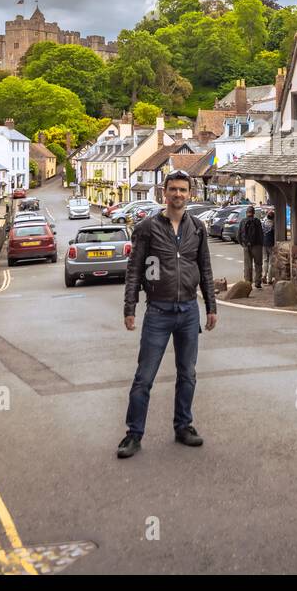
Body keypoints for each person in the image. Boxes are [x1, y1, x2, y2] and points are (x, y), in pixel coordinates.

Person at [119, 169, 218, 459]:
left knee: (188, 374)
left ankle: (183, 426)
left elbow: (206, 270)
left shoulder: (197, 228)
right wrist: (130, 308)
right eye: (173, 189)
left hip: (188, 310)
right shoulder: (147, 228)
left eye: (182, 190)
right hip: (158, 311)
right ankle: (133, 435)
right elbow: (134, 270)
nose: (178, 194)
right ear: (165, 192)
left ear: (190, 194)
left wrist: (211, 307)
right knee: (144, 377)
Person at [240, 205, 265, 289]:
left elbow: (239, 235)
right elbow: (261, 234)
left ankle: (248, 282)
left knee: (247, 265)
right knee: (258, 264)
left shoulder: (243, 221)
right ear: (253, 213)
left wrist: (243, 244)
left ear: (246, 213)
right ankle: (257, 282)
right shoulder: (257, 221)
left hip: (246, 246)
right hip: (257, 246)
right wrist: (261, 243)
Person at [262, 209, 276, 284]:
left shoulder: (264, 223)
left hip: (264, 243)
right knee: (270, 262)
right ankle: (269, 279)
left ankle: (264, 275)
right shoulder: (274, 224)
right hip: (271, 244)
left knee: (265, 260)